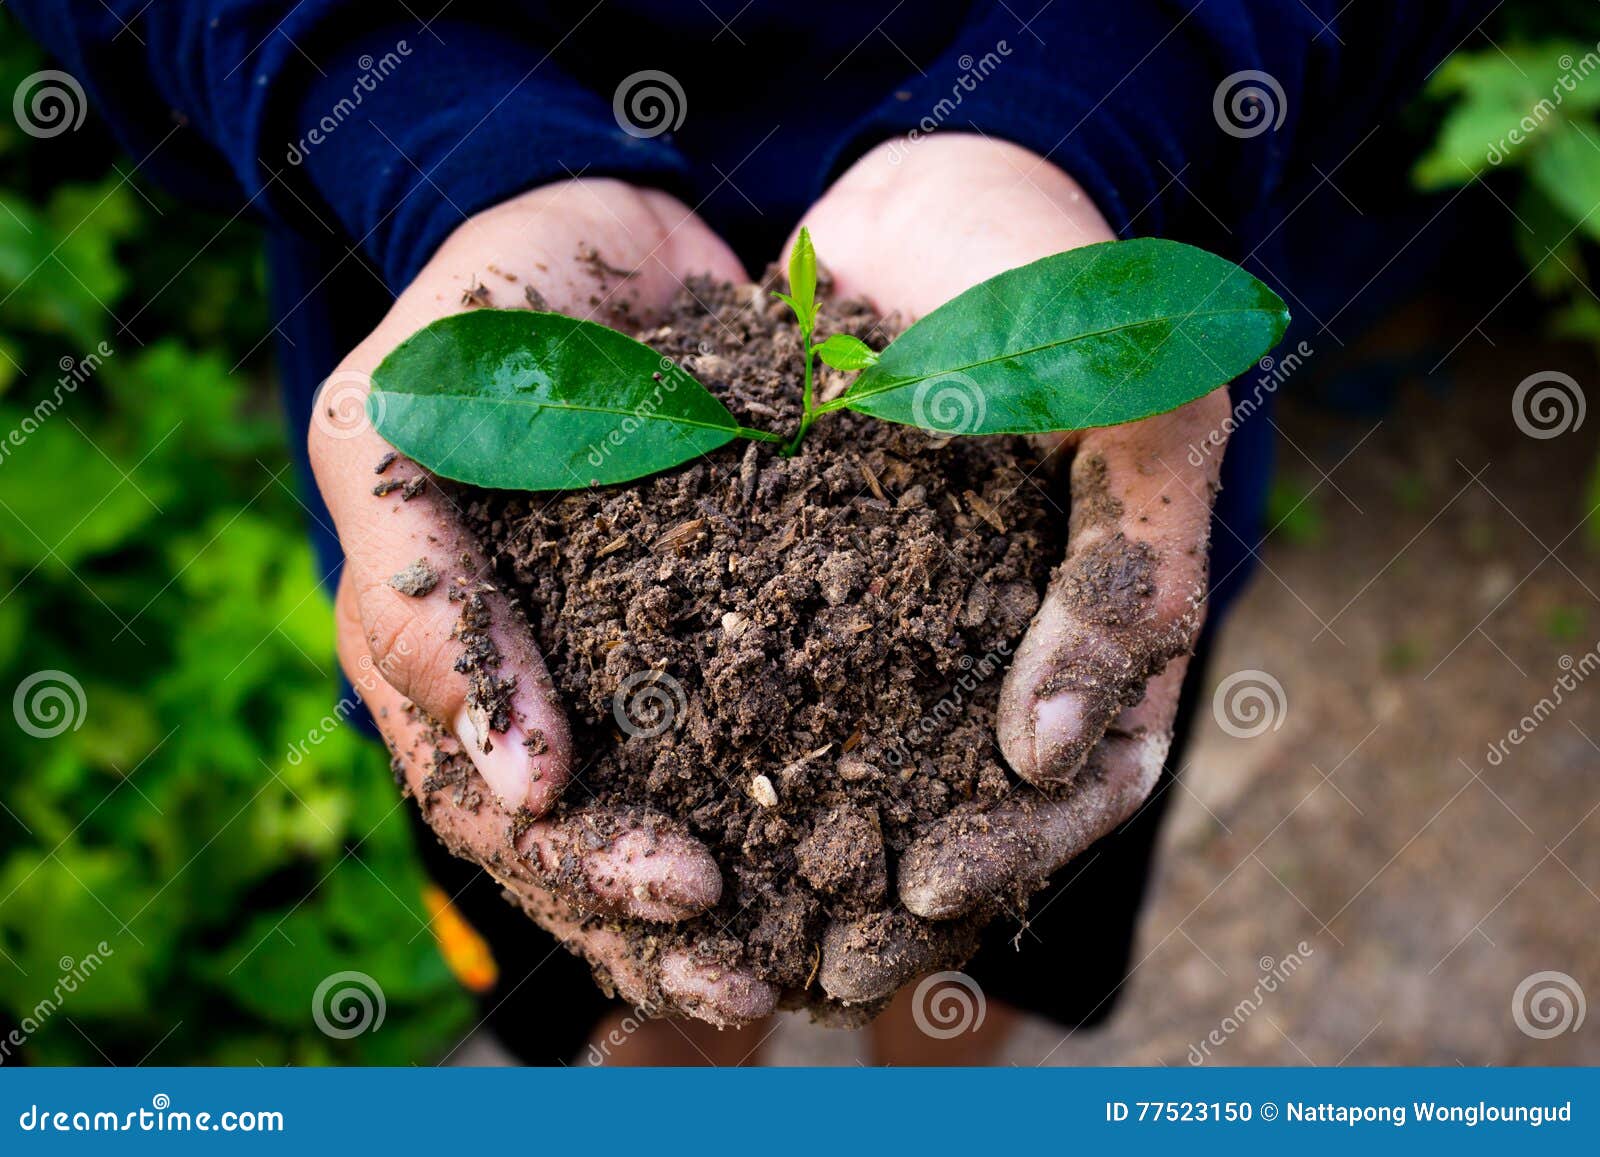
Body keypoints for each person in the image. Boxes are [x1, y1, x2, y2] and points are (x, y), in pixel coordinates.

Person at [11, 0, 1494, 1064]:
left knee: (994, 893)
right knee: (626, 973)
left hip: (1067, 392)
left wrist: (1111, 93)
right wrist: (419, 129)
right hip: (478, 377)